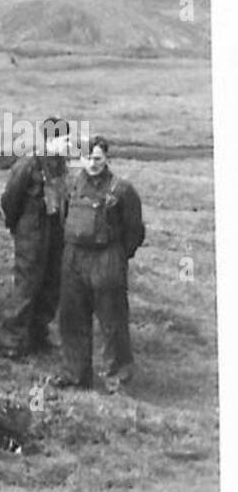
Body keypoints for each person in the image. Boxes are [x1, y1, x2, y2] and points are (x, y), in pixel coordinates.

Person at [54, 137, 144, 393]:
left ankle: (118, 379)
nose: (92, 164)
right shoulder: (70, 184)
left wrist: (117, 255)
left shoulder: (122, 190)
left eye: (97, 159)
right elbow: (63, 217)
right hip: (73, 258)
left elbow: (134, 231)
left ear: (106, 159)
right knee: (71, 318)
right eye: (87, 158)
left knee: (112, 320)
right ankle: (75, 374)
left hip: (106, 259)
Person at [0, 117, 70, 359]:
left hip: (55, 231)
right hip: (31, 233)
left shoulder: (60, 165)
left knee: (50, 283)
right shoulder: (29, 165)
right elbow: (10, 199)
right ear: (50, 140)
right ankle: (12, 341)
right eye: (64, 140)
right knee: (26, 286)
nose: (67, 144)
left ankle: (39, 333)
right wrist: (17, 227)